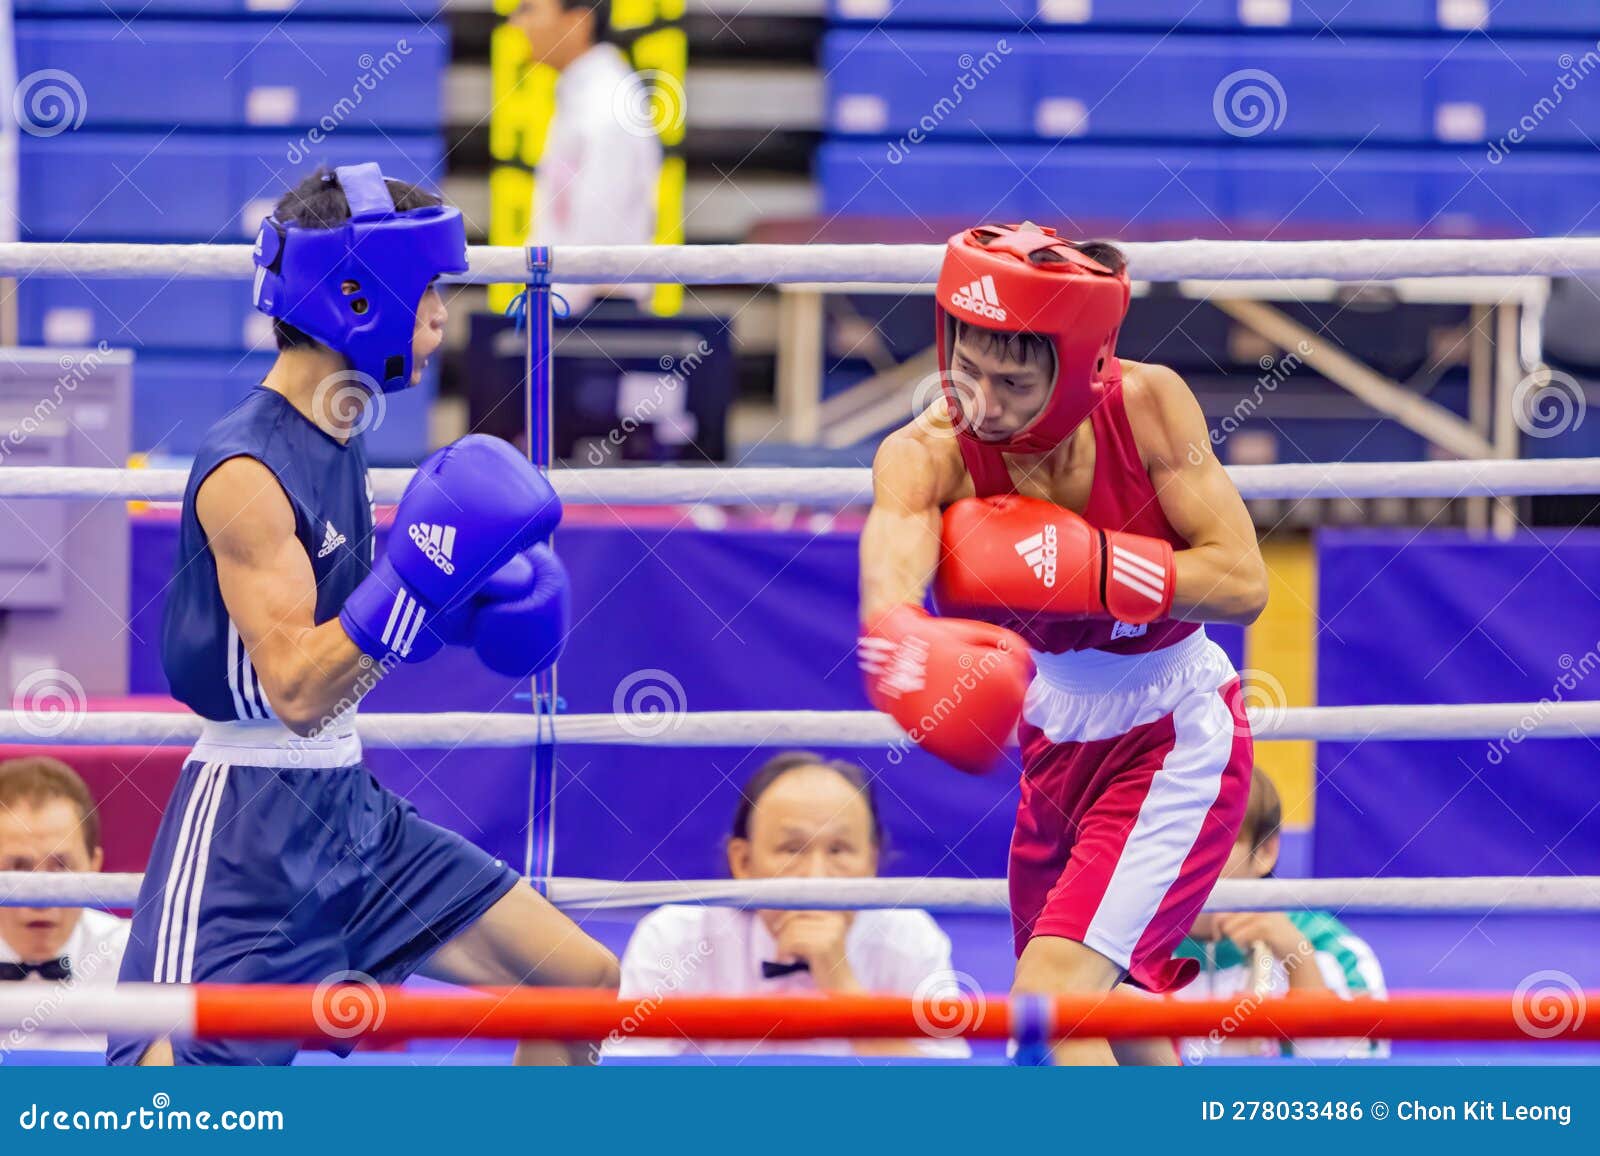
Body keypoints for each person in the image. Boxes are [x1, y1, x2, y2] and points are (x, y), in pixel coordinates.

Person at [107, 163, 618, 1067]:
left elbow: (345, 637)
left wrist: (458, 609)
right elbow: (299, 689)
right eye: (428, 291)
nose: (441, 318)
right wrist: (413, 588)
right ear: (355, 296)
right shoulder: (247, 471)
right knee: (165, 1109)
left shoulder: (339, 431)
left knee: (576, 979)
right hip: (248, 834)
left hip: (349, 810)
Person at [858, 222, 1268, 1065]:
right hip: (1054, 736)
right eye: (966, 370)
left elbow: (1245, 581)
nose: (983, 402)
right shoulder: (929, 452)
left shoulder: (1149, 406)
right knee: (1101, 1008)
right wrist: (898, 632)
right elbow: (892, 565)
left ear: (1083, 368)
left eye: (1013, 381)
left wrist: (1100, 567)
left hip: (1175, 729)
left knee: (1049, 1008)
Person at [605, 751, 970, 1060]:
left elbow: (951, 1103)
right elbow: (626, 1088)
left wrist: (844, 989)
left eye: (839, 850)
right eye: (792, 849)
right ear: (743, 862)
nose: (816, 877)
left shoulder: (910, 940)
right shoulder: (674, 939)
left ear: (872, 862)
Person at [1177, 767, 1388, 1061]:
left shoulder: (1335, 951)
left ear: (1265, 852)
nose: (1189, 860)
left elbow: (1363, 1079)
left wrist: (1301, 966)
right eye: (1173, 841)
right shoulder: (1123, 948)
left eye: (1215, 841)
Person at [509, 0, 663, 314]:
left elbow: (598, 235)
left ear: (578, 22)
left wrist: (552, 312)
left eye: (529, 9)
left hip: (597, 314)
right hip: (575, 307)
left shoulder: (607, 105)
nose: (517, 23)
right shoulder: (584, 96)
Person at [0, 757, 129, 1054]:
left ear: (94, 866)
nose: (41, 898)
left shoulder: (135, 957)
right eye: (18, 867)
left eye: (62, 867)